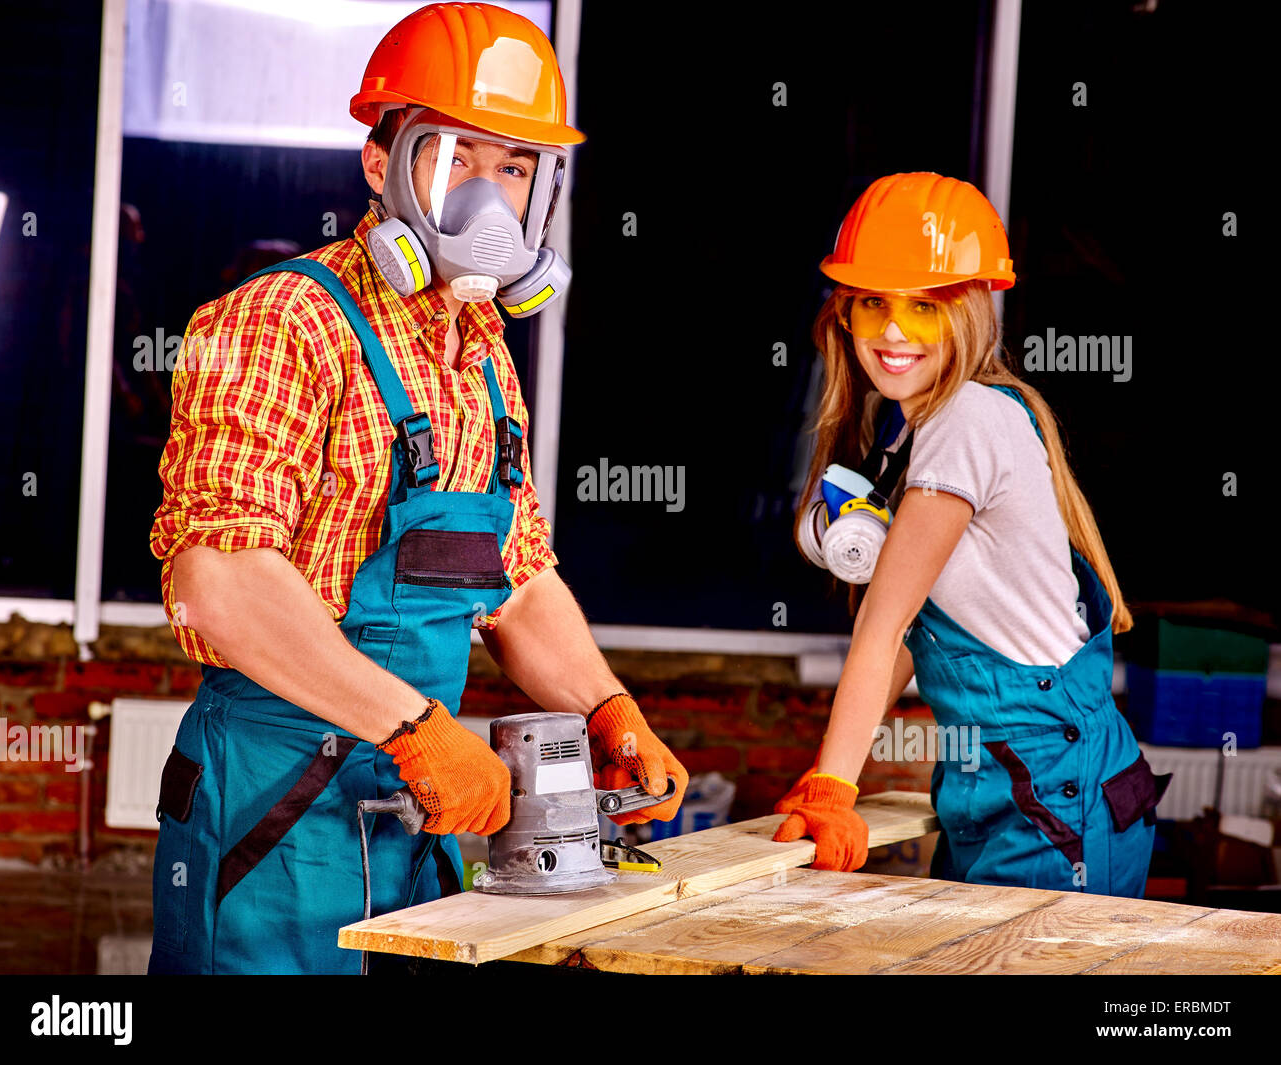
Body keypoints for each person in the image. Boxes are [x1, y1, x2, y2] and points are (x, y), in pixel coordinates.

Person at [147, 2, 686, 975]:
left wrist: (608, 707)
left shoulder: (484, 359)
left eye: (515, 167)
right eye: (456, 158)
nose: (489, 196)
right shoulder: (281, 322)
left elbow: (516, 574)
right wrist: (412, 725)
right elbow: (218, 580)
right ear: (379, 162)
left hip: (417, 807)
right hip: (272, 812)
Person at [773, 172, 1168, 897]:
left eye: (923, 308)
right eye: (872, 304)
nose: (893, 332)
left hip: (1055, 785)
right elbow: (900, 635)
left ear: (974, 312)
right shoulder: (910, 435)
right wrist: (833, 775)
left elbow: (882, 624)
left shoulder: (966, 419)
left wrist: (834, 782)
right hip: (995, 784)